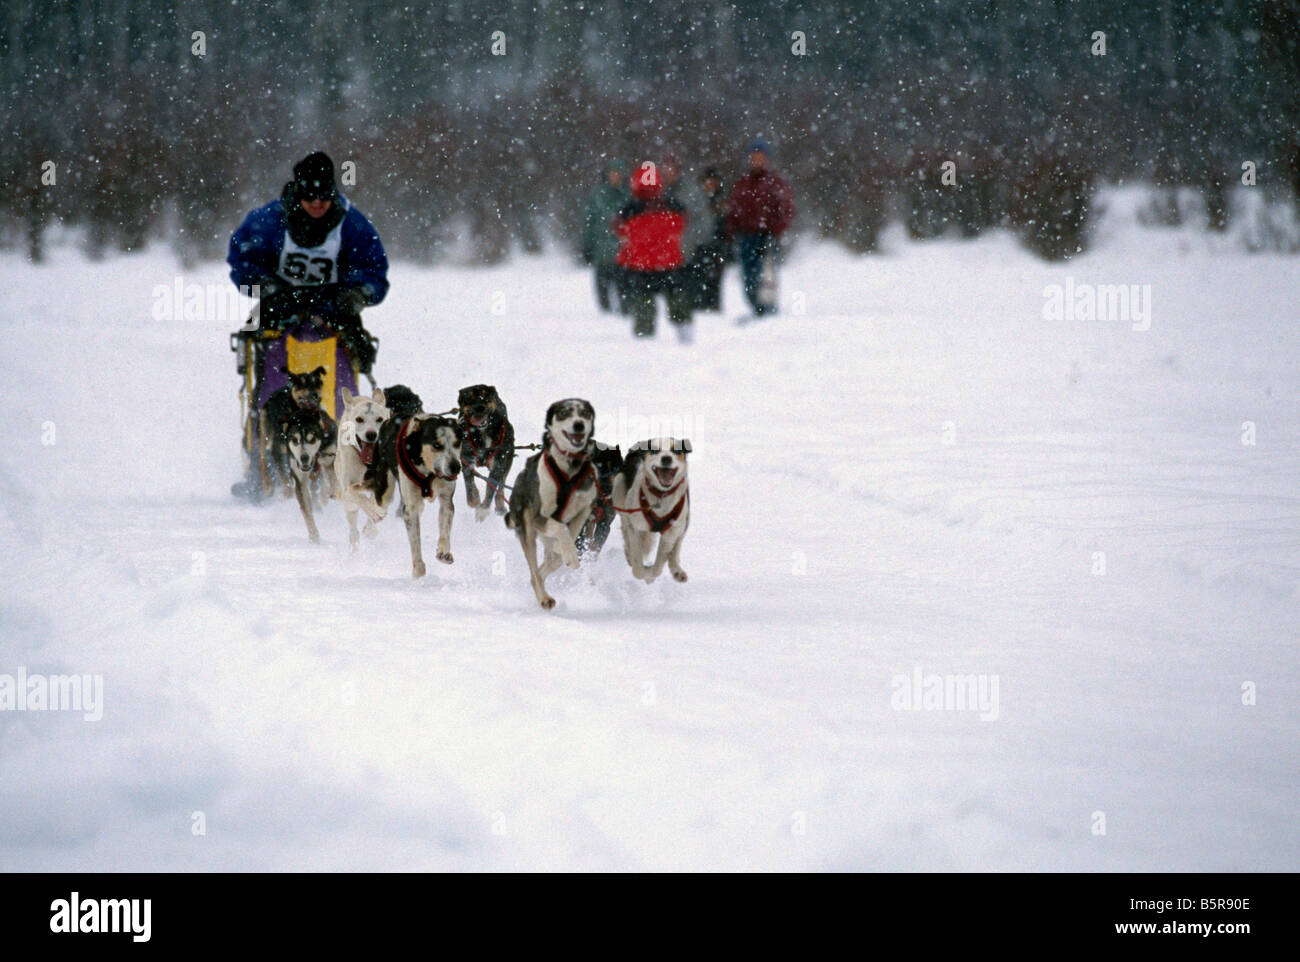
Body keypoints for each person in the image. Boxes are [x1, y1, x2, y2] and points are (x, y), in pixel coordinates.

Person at [228, 151, 389, 371]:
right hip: (280, 302)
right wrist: (261, 285)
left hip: (333, 306)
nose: (317, 202)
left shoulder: (352, 225)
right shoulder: (268, 221)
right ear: (297, 192)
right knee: (268, 349)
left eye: (324, 195)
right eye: (309, 195)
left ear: (333, 192)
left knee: (355, 347)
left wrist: (360, 293)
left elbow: (373, 270)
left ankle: (342, 399)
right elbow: (241, 262)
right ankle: (268, 399)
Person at [614, 161, 692, 342]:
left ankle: (644, 340)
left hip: (642, 266)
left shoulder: (629, 210)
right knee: (677, 302)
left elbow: (620, 232)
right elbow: (683, 225)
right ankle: (686, 337)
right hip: (670, 263)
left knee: (644, 306)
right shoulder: (673, 205)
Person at [725, 138, 793, 319]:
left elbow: (785, 209)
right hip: (746, 236)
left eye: (760, 157)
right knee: (748, 276)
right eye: (754, 157)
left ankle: (767, 308)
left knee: (766, 274)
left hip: (766, 236)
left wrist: (776, 230)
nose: (757, 161)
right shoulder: (743, 183)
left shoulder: (775, 183)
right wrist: (732, 228)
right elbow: (734, 207)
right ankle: (756, 308)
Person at [581, 159, 629, 313]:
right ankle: (605, 313)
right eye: (612, 173)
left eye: (618, 173)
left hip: (623, 250)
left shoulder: (629, 195)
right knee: (602, 287)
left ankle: (624, 310)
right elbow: (589, 222)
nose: (615, 177)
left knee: (624, 286)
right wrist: (587, 245)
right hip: (601, 250)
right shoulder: (597, 195)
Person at [687, 166, 729, 311]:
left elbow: (727, 225)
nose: (709, 185)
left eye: (712, 182)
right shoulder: (697, 200)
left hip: (717, 245)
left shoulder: (722, 201)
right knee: (697, 278)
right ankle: (699, 306)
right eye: (707, 182)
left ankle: (713, 307)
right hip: (699, 245)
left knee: (715, 280)